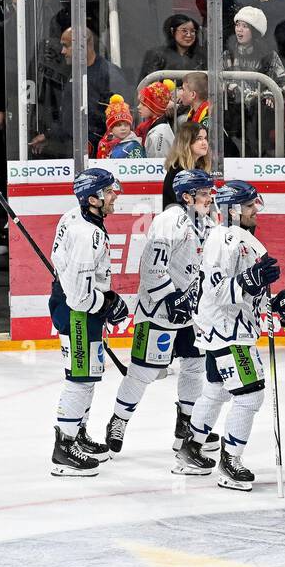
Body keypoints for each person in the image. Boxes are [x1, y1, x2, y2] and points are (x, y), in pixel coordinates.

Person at [190, 180, 285, 491]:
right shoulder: (221, 239)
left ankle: (190, 447)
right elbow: (216, 290)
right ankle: (230, 461)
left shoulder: (242, 238)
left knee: (216, 392)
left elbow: (250, 290)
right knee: (250, 394)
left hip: (228, 328)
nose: (256, 210)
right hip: (228, 330)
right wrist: (251, 281)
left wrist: (276, 304)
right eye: (250, 205)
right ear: (234, 210)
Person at [105, 169, 219, 472]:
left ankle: (185, 426)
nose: (210, 197)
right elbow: (152, 267)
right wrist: (170, 299)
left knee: (194, 367)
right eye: (205, 193)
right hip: (159, 311)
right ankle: (119, 421)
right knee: (142, 372)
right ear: (186, 196)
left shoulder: (207, 223)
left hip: (190, 313)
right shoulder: (170, 221)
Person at [48, 169, 129, 476]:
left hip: (75, 302)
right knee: (80, 378)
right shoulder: (87, 235)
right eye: (109, 192)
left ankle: (77, 434)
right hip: (78, 310)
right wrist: (107, 304)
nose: (115, 195)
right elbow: (79, 299)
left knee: (90, 374)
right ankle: (64, 447)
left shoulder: (74, 216)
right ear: (93, 199)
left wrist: (104, 301)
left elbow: (65, 268)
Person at [30, 27, 130, 156]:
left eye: (66, 46)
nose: (62, 51)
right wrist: (50, 136)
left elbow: (121, 119)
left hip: (99, 154)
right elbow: (70, 118)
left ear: (82, 46)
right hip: (74, 150)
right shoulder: (76, 72)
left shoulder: (110, 75)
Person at [223, 6, 285, 157]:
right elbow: (217, 81)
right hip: (234, 107)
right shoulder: (227, 53)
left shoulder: (269, 56)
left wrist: (271, 94)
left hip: (261, 110)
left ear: (254, 31)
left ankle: (256, 158)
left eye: (245, 26)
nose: (239, 30)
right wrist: (229, 87)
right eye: (237, 25)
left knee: (258, 113)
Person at [138, 14, 205, 82]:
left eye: (192, 31)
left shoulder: (202, 56)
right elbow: (147, 85)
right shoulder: (157, 54)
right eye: (184, 31)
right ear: (172, 31)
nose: (189, 35)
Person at [163, 122, 212, 207]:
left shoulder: (198, 168)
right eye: (199, 138)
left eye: (205, 138)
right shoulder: (177, 171)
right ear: (187, 142)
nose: (204, 143)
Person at [137, 78, 178, 159]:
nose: (138, 107)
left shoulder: (159, 133)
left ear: (154, 107)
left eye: (143, 104)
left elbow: (160, 166)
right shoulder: (156, 127)